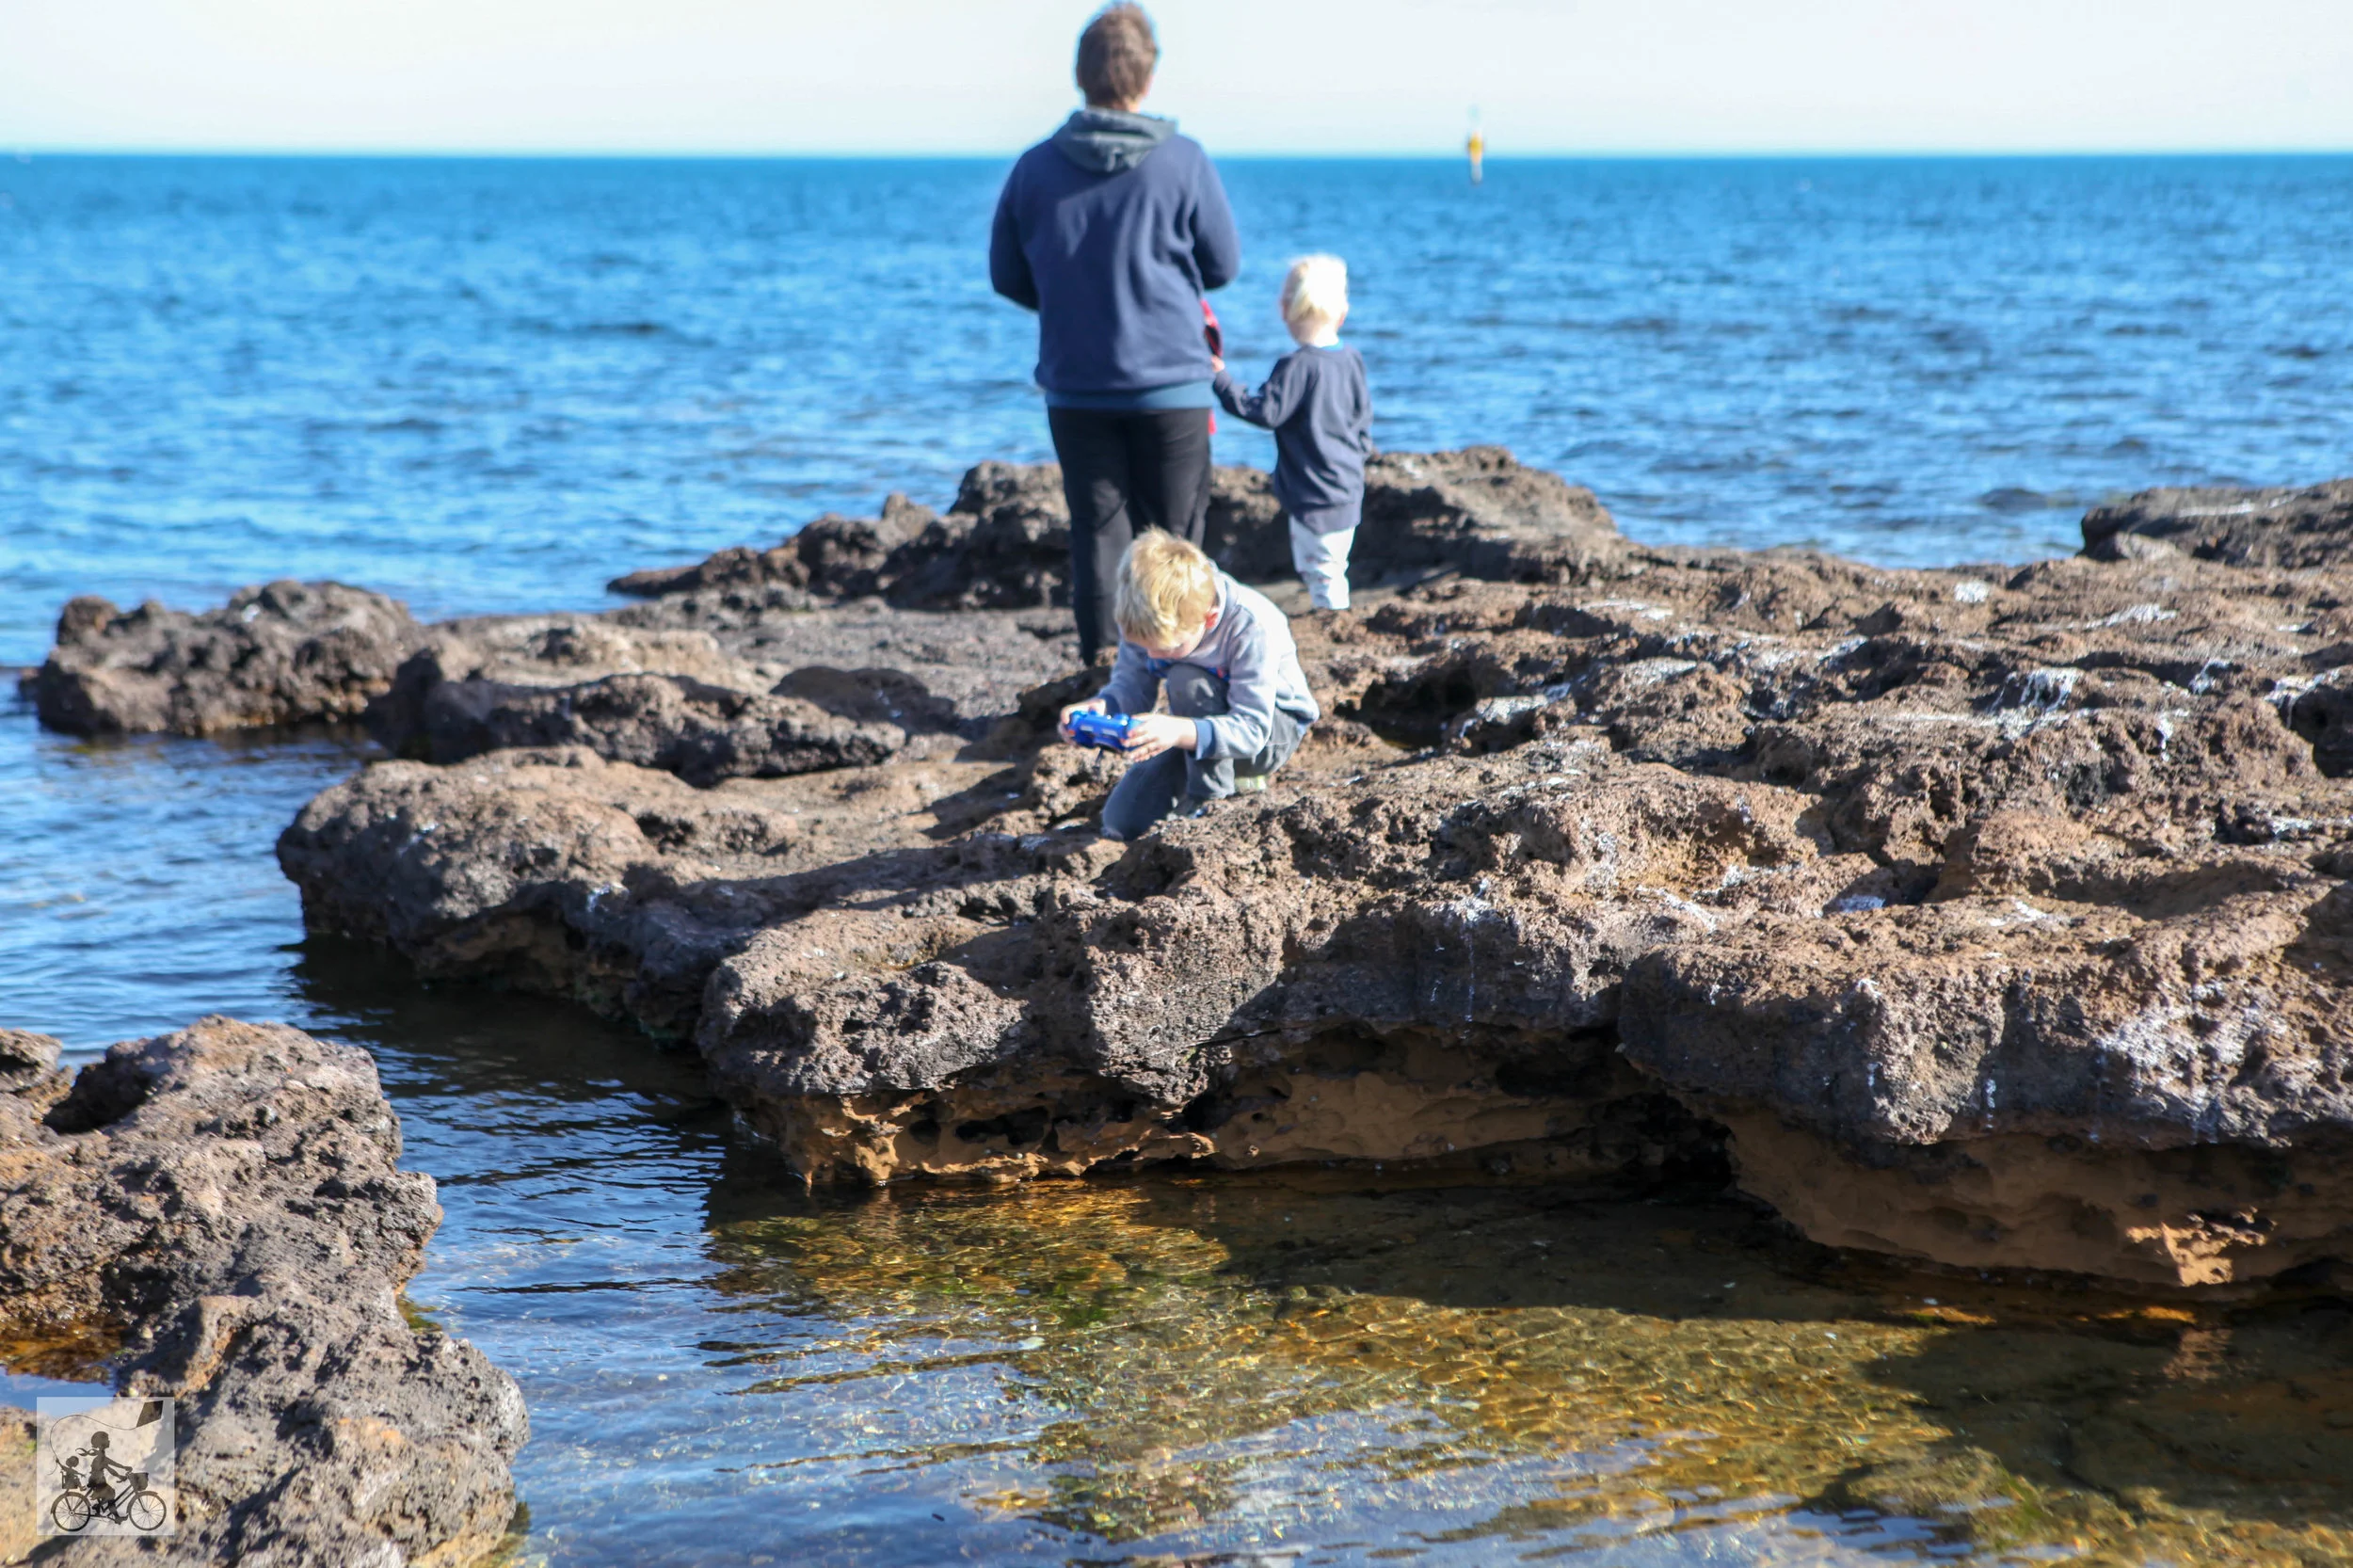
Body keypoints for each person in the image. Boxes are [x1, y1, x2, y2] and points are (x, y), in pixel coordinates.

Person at [990, 4, 1241, 664]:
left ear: (1080, 75)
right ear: (1148, 76)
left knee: (1098, 537)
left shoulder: (1034, 168)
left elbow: (1007, 276)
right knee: (1177, 544)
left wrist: (1070, 302)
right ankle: (1182, 672)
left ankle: (1105, 675)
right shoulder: (1184, 161)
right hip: (1173, 384)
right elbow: (1222, 265)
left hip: (1078, 383)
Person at [1061, 530, 1319, 839]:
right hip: (1199, 730)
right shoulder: (1143, 615)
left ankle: (1212, 803)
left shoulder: (1250, 625)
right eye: (1144, 646)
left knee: (1187, 679)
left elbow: (1252, 730)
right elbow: (1132, 687)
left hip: (1271, 735)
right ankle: (1215, 782)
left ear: (1209, 619)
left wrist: (1178, 731)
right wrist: (1101, 709)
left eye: (1167, 648)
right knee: (1122, 820)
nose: (1153, 657)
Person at [1211, 255, 1373, 612]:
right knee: (1332, 565)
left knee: (1322, 571)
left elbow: (1264, 411)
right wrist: (1357, 458)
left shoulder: (1298, 366)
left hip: (1313, 493)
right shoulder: (1351, 359)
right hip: (1347, 485)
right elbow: (1363, 419)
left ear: (1284, 310)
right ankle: (1333, 615)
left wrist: (1221, 381)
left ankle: (1333, 622)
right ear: (1342, 313)